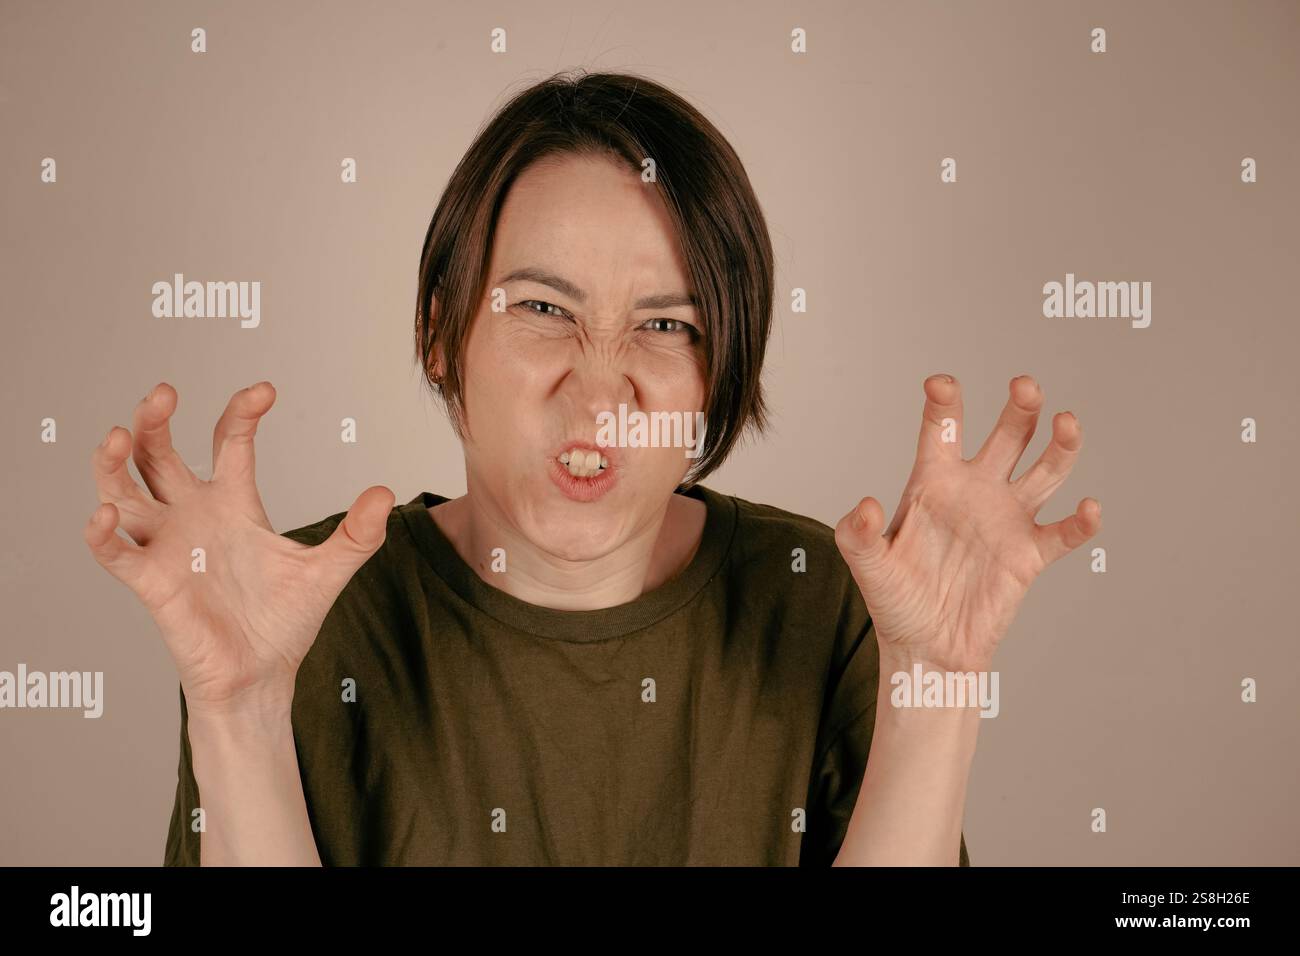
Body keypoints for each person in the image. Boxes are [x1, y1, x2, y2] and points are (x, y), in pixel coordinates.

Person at [84, 70, 1100, 866]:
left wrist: (935, 680)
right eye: (541, 308)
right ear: (444, 336)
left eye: (663, 325)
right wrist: (241, 711)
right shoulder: (293, 608)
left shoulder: (833, 605)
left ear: (721, 369)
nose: (599, 391)